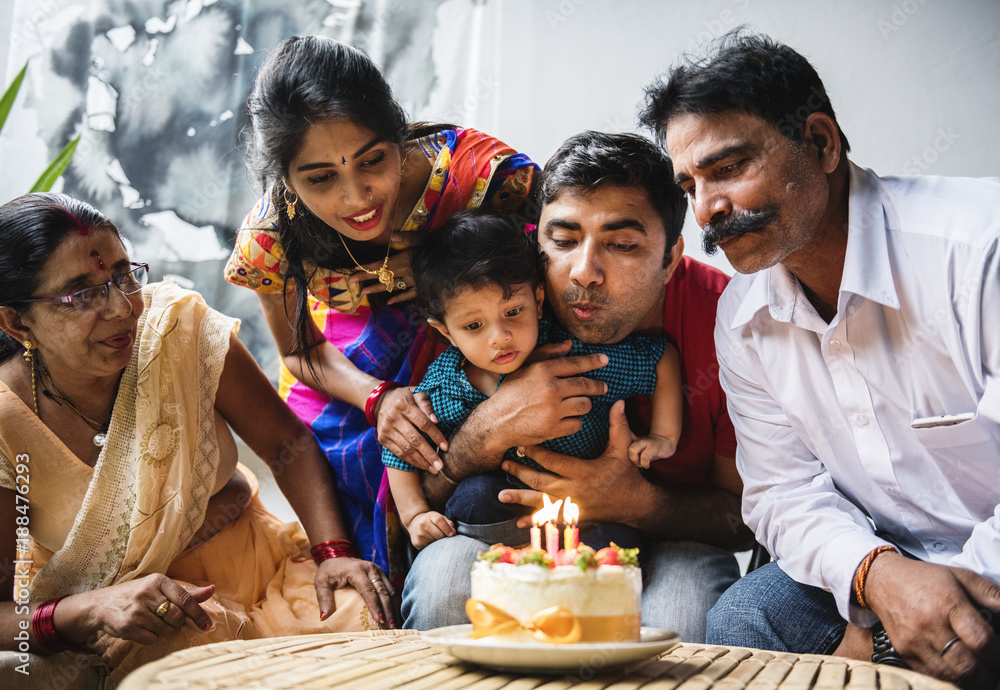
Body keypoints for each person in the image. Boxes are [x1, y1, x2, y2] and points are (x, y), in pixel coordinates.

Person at [641, 30, 1000, 686]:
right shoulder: (744, 314)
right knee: (746, 620)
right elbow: (782, 492)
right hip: (890, 564)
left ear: (822, 142)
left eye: (727, 168)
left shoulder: (977, 248)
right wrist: (878, 576)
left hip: (992, 566)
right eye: (688, 185)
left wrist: (929, 616)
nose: (706, 209)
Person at [0, 194, 395, 688]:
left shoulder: (177, 332)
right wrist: (87, 609)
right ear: (17, 323)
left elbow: (285, 443)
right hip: (125, 623)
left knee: (364, 632)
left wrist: (332, 553)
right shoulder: (5, 423)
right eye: (81, 294)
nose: (122, 309)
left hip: (261, 578)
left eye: (123, 275)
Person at [401, 132, 753, 643]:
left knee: (681, 612)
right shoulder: (487, 305)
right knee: (443, 584)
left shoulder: (732, 327)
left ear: (671, 257)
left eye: (623, 245)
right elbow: (425, 492)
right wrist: (487, 430)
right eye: (563, 241)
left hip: (673, 538)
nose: (585, 272)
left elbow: (744, 520)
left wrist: (635, 503)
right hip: (501, 532)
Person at [223, 36, 537, 580]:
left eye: (374, 161)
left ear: (399, 136)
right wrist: (378, 399)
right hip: (347, 374)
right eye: (321, 178)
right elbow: (300, 352)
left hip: (481, 346)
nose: (357, 197)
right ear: (286, 179)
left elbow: (544, 284)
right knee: (355, 512)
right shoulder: (271, 240)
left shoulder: (483, 176)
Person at [382, 209, 682, 551]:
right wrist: (414, 515)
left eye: (512, 312)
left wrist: (663, 435)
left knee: (621, 542)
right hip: (502, 519)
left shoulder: (571, 356)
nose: (500, 337)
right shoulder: (447, 385)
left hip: (586, 516)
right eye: (473, 326)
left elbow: (660, 358)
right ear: (444, 331)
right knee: (473, 497)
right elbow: (399, 453)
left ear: (537, 301)